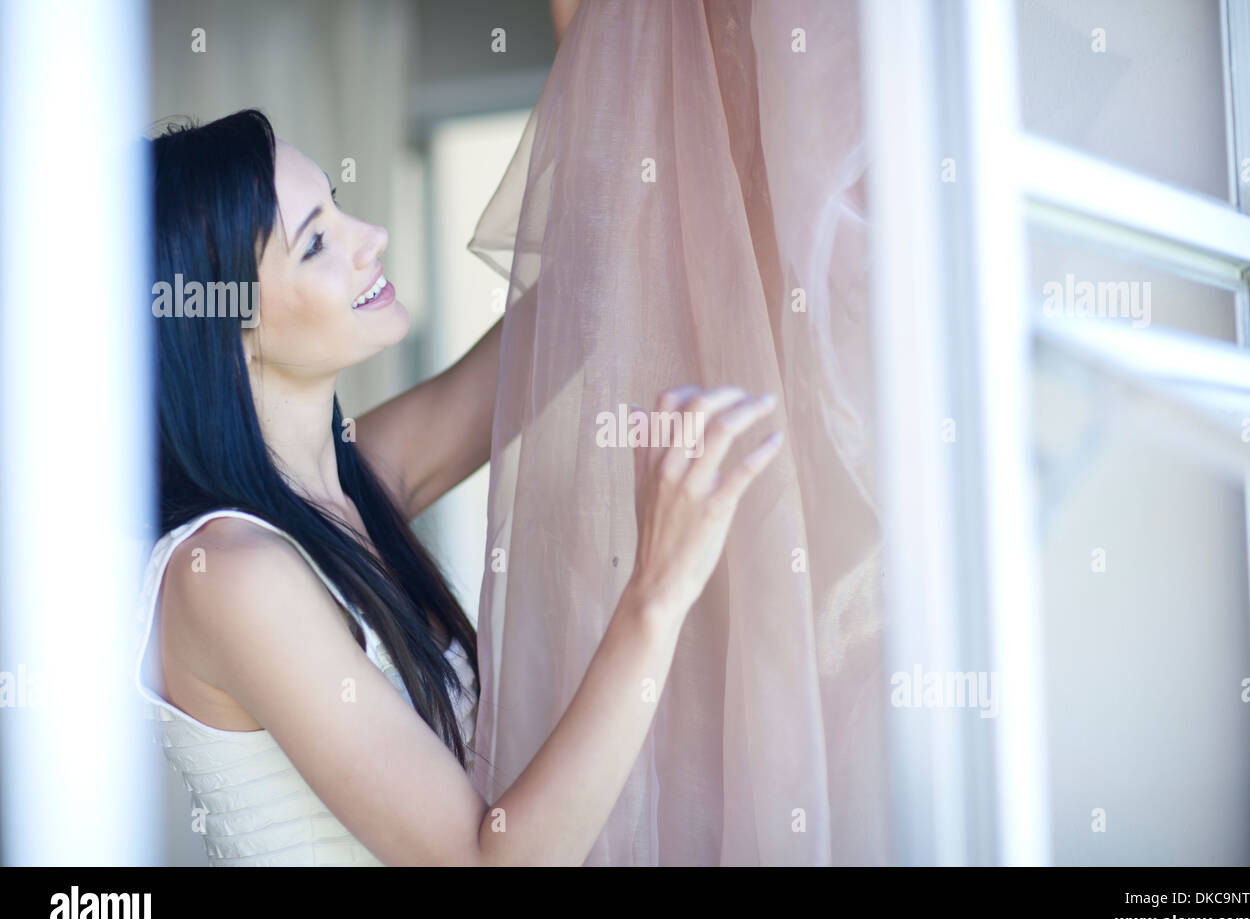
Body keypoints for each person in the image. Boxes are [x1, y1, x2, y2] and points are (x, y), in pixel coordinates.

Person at [134, 106, 783, 865]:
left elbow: (576, 313)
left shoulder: (347, 478)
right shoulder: (229, 574)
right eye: (316, 242)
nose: (368, 238)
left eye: (337, 209)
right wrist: (657, 591)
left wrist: (689, 104)